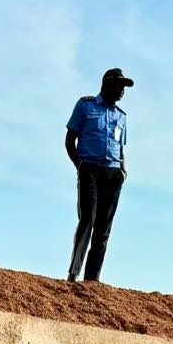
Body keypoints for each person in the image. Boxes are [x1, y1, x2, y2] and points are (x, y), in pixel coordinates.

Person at [65, 68, 132, 282]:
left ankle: (92, 279)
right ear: (106, 84)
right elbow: (70, 140)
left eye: (124, 88)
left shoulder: (121, 116)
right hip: (90, 168)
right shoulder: (86, 105)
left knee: (104, 227)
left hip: (113, 174)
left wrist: (123, 170)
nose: (122, 91)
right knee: (88, 218)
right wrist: (80, 165)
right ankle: (74, 272)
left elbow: (121, 147)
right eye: (119, 85)